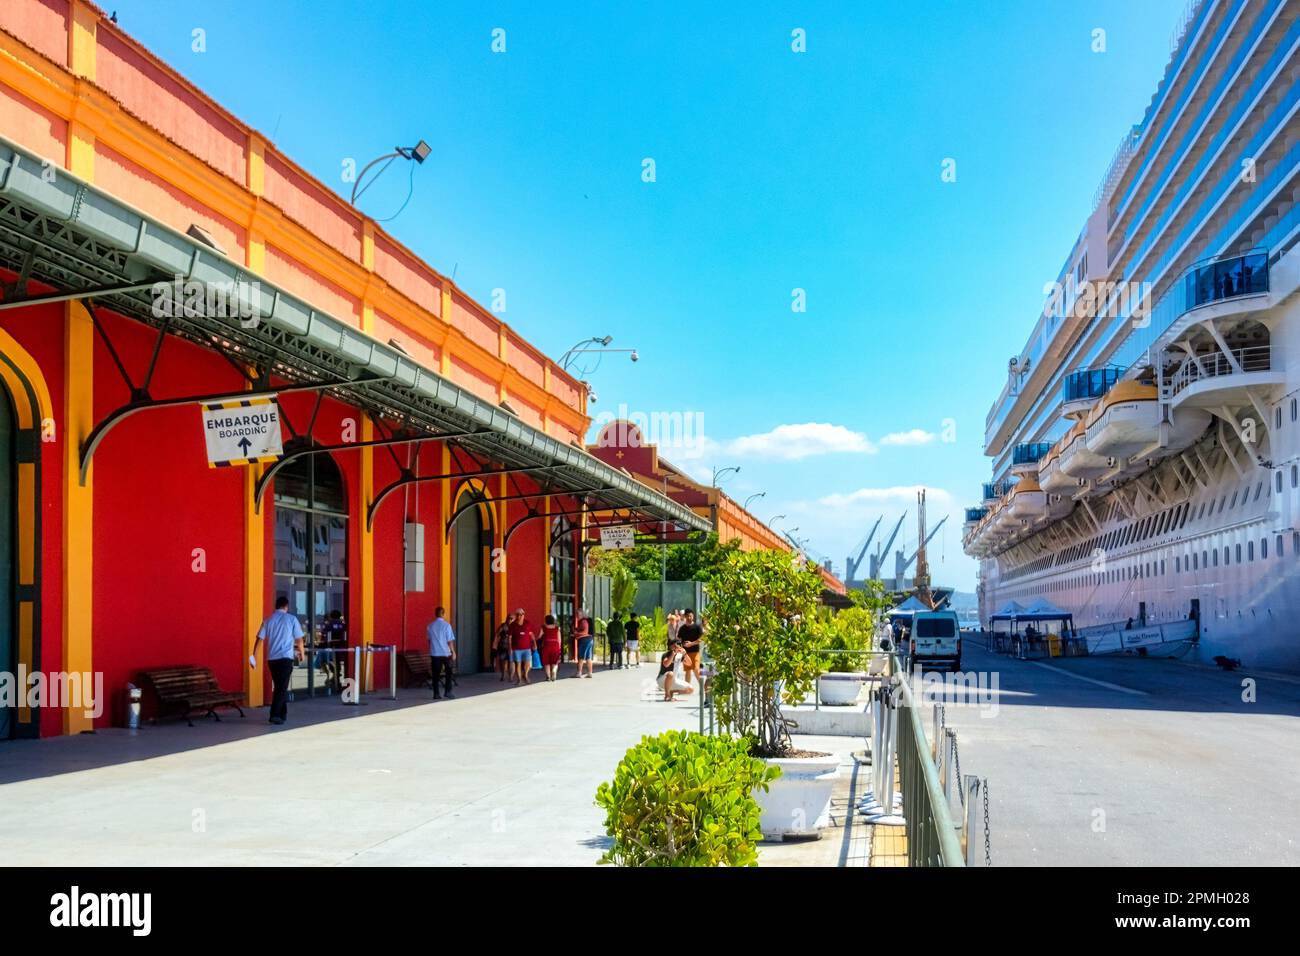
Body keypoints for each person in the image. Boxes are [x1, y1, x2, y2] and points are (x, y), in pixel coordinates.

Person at [251, 596, 305, 725]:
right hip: (285, 658)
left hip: (272, 659)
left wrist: (254, 655)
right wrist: (302, 653)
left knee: (280, 685)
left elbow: (259, 639)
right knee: (281, 687)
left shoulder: (268, 620)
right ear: (286, 606)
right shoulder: (291, 619)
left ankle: (282, 713)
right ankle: (274, 714)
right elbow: (299, 639)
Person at [426, 606, 458, 699]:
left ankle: (436, 694)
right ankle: (448, 691)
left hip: (435, 653)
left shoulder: (430, 626)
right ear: (443, 614)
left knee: (435, 674)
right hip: (445, 653)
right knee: (449, 672)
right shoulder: (447, 625)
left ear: (435, 614)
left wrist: (432, 649)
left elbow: (429, 640)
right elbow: (450, 641)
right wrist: (453, 652)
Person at [508, 608, 537, 685]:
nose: (519, 616)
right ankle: (519, 679)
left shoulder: (528, 623)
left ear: (524, 615)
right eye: (518, 614)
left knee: (527, 663)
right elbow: (509, 638)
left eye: (521, 614)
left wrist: (534, 643)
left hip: (527, 648)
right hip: (516, 648)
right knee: (518, 663)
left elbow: (531, 634)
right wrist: (510, 648)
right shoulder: (512, 625)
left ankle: (525, 675)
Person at [677, 609, 704, 685]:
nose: (689, 617)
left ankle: (703, 688)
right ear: (685, 616)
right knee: (687, 671)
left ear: (693, 616)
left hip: (695, 652)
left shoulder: (697, 627)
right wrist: (680, 647)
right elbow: (679, 639)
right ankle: (686, 688)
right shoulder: (682, 628)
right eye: (687, 616)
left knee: (696, 670)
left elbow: (701, 639)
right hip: (686, 654)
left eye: (690, 616)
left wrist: (691, 644)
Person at [539, 614, 563, 681]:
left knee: (547, 662)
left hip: (546, 645)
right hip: (555, 645)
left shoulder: (543, 627)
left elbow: (539, 636)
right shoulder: (557, 628)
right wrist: (559, 647)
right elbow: (559, 639)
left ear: (546, 621)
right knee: (555, 661)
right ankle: (554, 671)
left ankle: (548, 677)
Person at [573, 609, 594, 678]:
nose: (577, 616)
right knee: (588, 657)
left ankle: (579, 673)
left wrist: (576, 634)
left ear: (582, 614)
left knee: (581, 657)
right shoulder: (585, 621)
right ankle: (590, 673)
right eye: (577, 614)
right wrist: (577, 629)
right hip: (590, 639)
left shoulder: (584, 621)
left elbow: (585, 632)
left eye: (578, 614)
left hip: (585, 640)